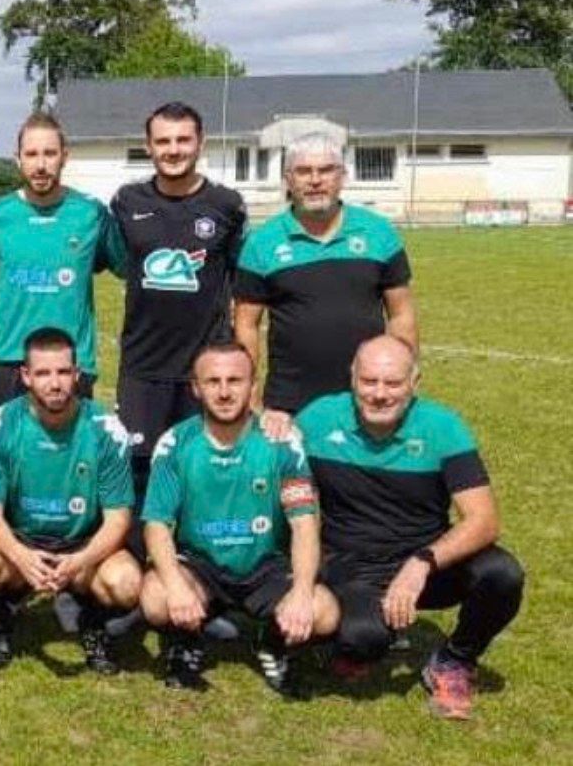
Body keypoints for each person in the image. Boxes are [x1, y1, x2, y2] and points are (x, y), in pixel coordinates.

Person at [297, 336, 522, 720]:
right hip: (351, 565)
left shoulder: (442, 426)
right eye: (369, 381)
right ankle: (356, 635)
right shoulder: (317, 419)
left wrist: (422, 562)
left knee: (502, 574)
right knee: (363, 639)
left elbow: (485, 520)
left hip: (425, 567)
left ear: (414, 383)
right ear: (351, 378)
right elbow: (268, 469)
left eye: (393, 383)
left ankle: (453, 661)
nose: (380, 394)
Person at [139, 343, 339, 696]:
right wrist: (175, 585)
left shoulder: (281, 442)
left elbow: (305, 524)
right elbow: (156, 524)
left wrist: (303, 592)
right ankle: (186, 642)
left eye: (235, 380)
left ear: (253, 386)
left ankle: (272, 642)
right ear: (196, 388)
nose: (225, 391)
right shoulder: (175, 443)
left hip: (265, 566)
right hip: (201, 565)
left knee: (324, 611)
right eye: (213, 381)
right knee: (156, 597)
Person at [0, 328, 140, 672]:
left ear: (77, 375)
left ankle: (93, 623)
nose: (54, 383)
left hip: (82, 543)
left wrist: (79, 561)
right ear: (26, 376)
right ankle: (1, 620)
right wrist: (21, 556)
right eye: (43, 373)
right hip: (23, 540)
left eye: (62, 372)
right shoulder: (0, 426)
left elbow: (119, 518)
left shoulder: (106, 428)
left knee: (127, 583)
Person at [236, 133, 418, 435]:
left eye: (326, 170)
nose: (315, 180)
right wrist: (250, 394)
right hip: (289, 404)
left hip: (369, 396)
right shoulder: (262, 243)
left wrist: (406, 375)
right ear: (288, 179)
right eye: (303, 171)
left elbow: (401, 314)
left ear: (342, 176)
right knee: (294, 482)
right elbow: (246, 325)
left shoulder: (379, 232)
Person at [110, 103, 248, 500]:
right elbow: (119, 263)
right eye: (163, 141)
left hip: (205, 368)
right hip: (142, 365)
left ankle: (197, 556)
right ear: (148, 146)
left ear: (200, 143)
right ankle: (139, 558)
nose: (173, 150)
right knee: (138, 472)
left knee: (205, 470)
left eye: (183, 140)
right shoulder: (126, 202)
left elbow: (246, 292)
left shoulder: (227, 206)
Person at [0, 112, 125, 408]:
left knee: (71, 453)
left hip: (71, 361)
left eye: (50, 153)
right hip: (10, 358)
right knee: (8, 452)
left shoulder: (90, 213)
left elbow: (124, 265)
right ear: (17, 158)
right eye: (32, 154)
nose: (41, 164)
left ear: (64, 156)